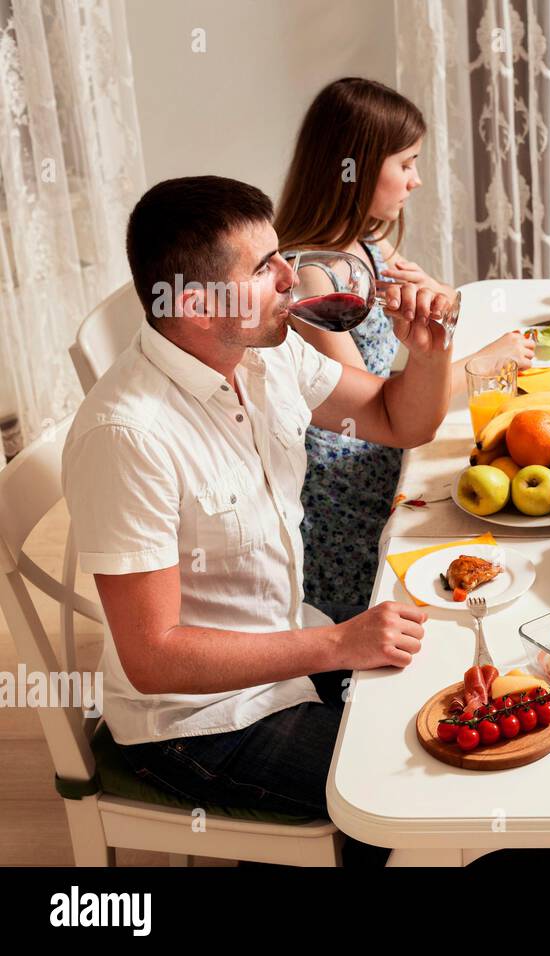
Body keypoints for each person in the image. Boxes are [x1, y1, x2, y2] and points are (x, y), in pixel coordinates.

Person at [62, 175, 453, 827]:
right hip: (201, 724)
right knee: (416, 793)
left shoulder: (263, 355)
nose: (291, 280)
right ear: (193, 305)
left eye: (281, 257)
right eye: (264, 268)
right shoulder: (128, 437)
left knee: (459, 692)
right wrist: (336, 645)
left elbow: (397, 419)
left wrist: (429, 353)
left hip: (287, 644)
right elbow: (153, 656)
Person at [275, 77, 535, 621]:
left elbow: (416, 357)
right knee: (495, 526)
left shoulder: (365, 242)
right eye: (406, 163)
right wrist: (484, 361)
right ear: (356, 166)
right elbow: (372, 409)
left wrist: (444, 309)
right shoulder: (313, 278)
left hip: (385, 438)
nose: (416, 181)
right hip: (347, 487)